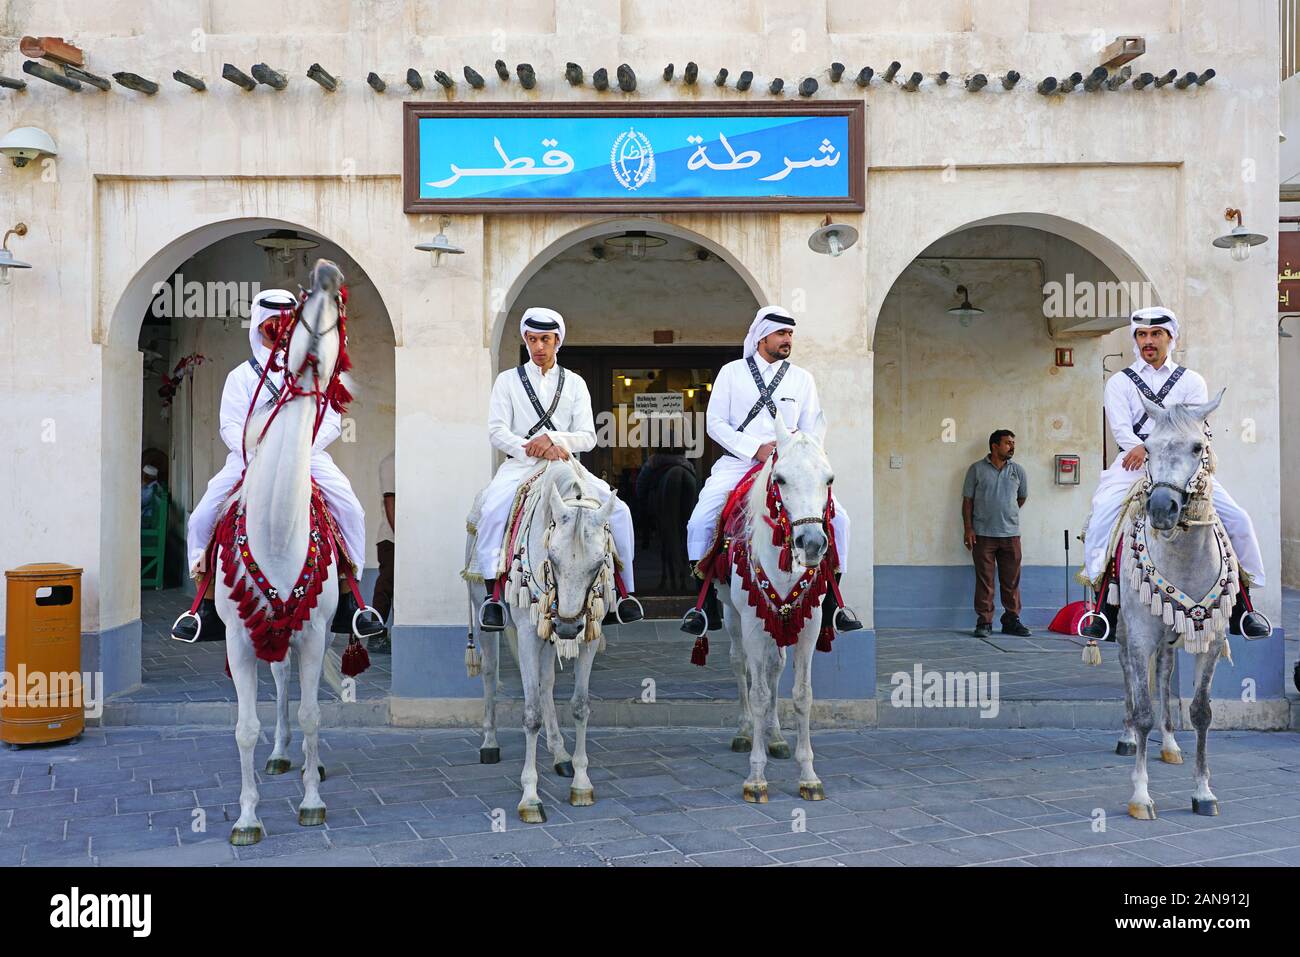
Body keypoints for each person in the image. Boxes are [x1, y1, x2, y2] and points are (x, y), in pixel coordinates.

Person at [172, 288, 382, 641]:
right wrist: (259, 455)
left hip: (308, 460)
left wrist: (299, 448)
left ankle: (351, 601)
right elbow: (230, 424)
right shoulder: (240, 376)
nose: (279, 330)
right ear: (259, 325)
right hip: (247, 461)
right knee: (201, 517)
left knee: (351, 509)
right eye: (272, 323)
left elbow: (330, 417)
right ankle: (205, 606)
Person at [1079, 306, 1268, 640]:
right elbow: (1122, 430)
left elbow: (1196, 426)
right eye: (1142, 335)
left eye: (1155, 335)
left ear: (1170, 338)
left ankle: (1245, 606)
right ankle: (1101, 606)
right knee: (1102, 517)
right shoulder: (1120, 382)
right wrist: (1140, 447)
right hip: (1136, 462)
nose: (1148, 341)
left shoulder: (1191, 381)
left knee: (1237, 518)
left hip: (1182, 466)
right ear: (1135, 339)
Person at [681, 305, 860, 636]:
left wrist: (794, 454)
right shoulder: (731, 373)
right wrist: (754, 449)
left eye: (790, 334)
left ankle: (834, 600)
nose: (787, 339)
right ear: (762, 336)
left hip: (790, 466)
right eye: (781, 333)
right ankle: (703, 605)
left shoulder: (802, 378)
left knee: (840, 520)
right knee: (701, 520)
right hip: (739, 462)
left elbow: (809, 429)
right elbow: (715, 424)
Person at [475, 306, 642, 630]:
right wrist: (530, 447)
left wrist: (552, 440)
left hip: (566, 464)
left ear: (557, 341)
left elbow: (587, 437)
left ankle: (624, 592)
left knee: (618, 510)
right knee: (494, 509)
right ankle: (492, 595)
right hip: (520, 466)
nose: (539, 347)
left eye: (546, 340)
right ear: (525, 340)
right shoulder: (507, 381)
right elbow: (497, 431)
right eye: (533, 339)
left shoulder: (575, 383)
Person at [962, 430, 1030, 638]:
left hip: (1010, 535)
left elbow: (1021, 498)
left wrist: (1005, 514)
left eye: (1013, 443)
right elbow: (967, 501)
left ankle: (1011, 620)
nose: (1012, 446)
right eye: (1007, 443)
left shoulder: (1018, 471)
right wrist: (968, 528)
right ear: (994, 445)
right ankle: (984, 622)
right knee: (985, 581)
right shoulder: (976, 469)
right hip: (983, 534)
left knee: (1011, 581)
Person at [369, 451, 395, 653]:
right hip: (391, 538)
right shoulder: (391, 462)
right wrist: (400, 537)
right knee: (386, 585)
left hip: (401, 538)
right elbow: (390, 502)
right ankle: (375, 635)